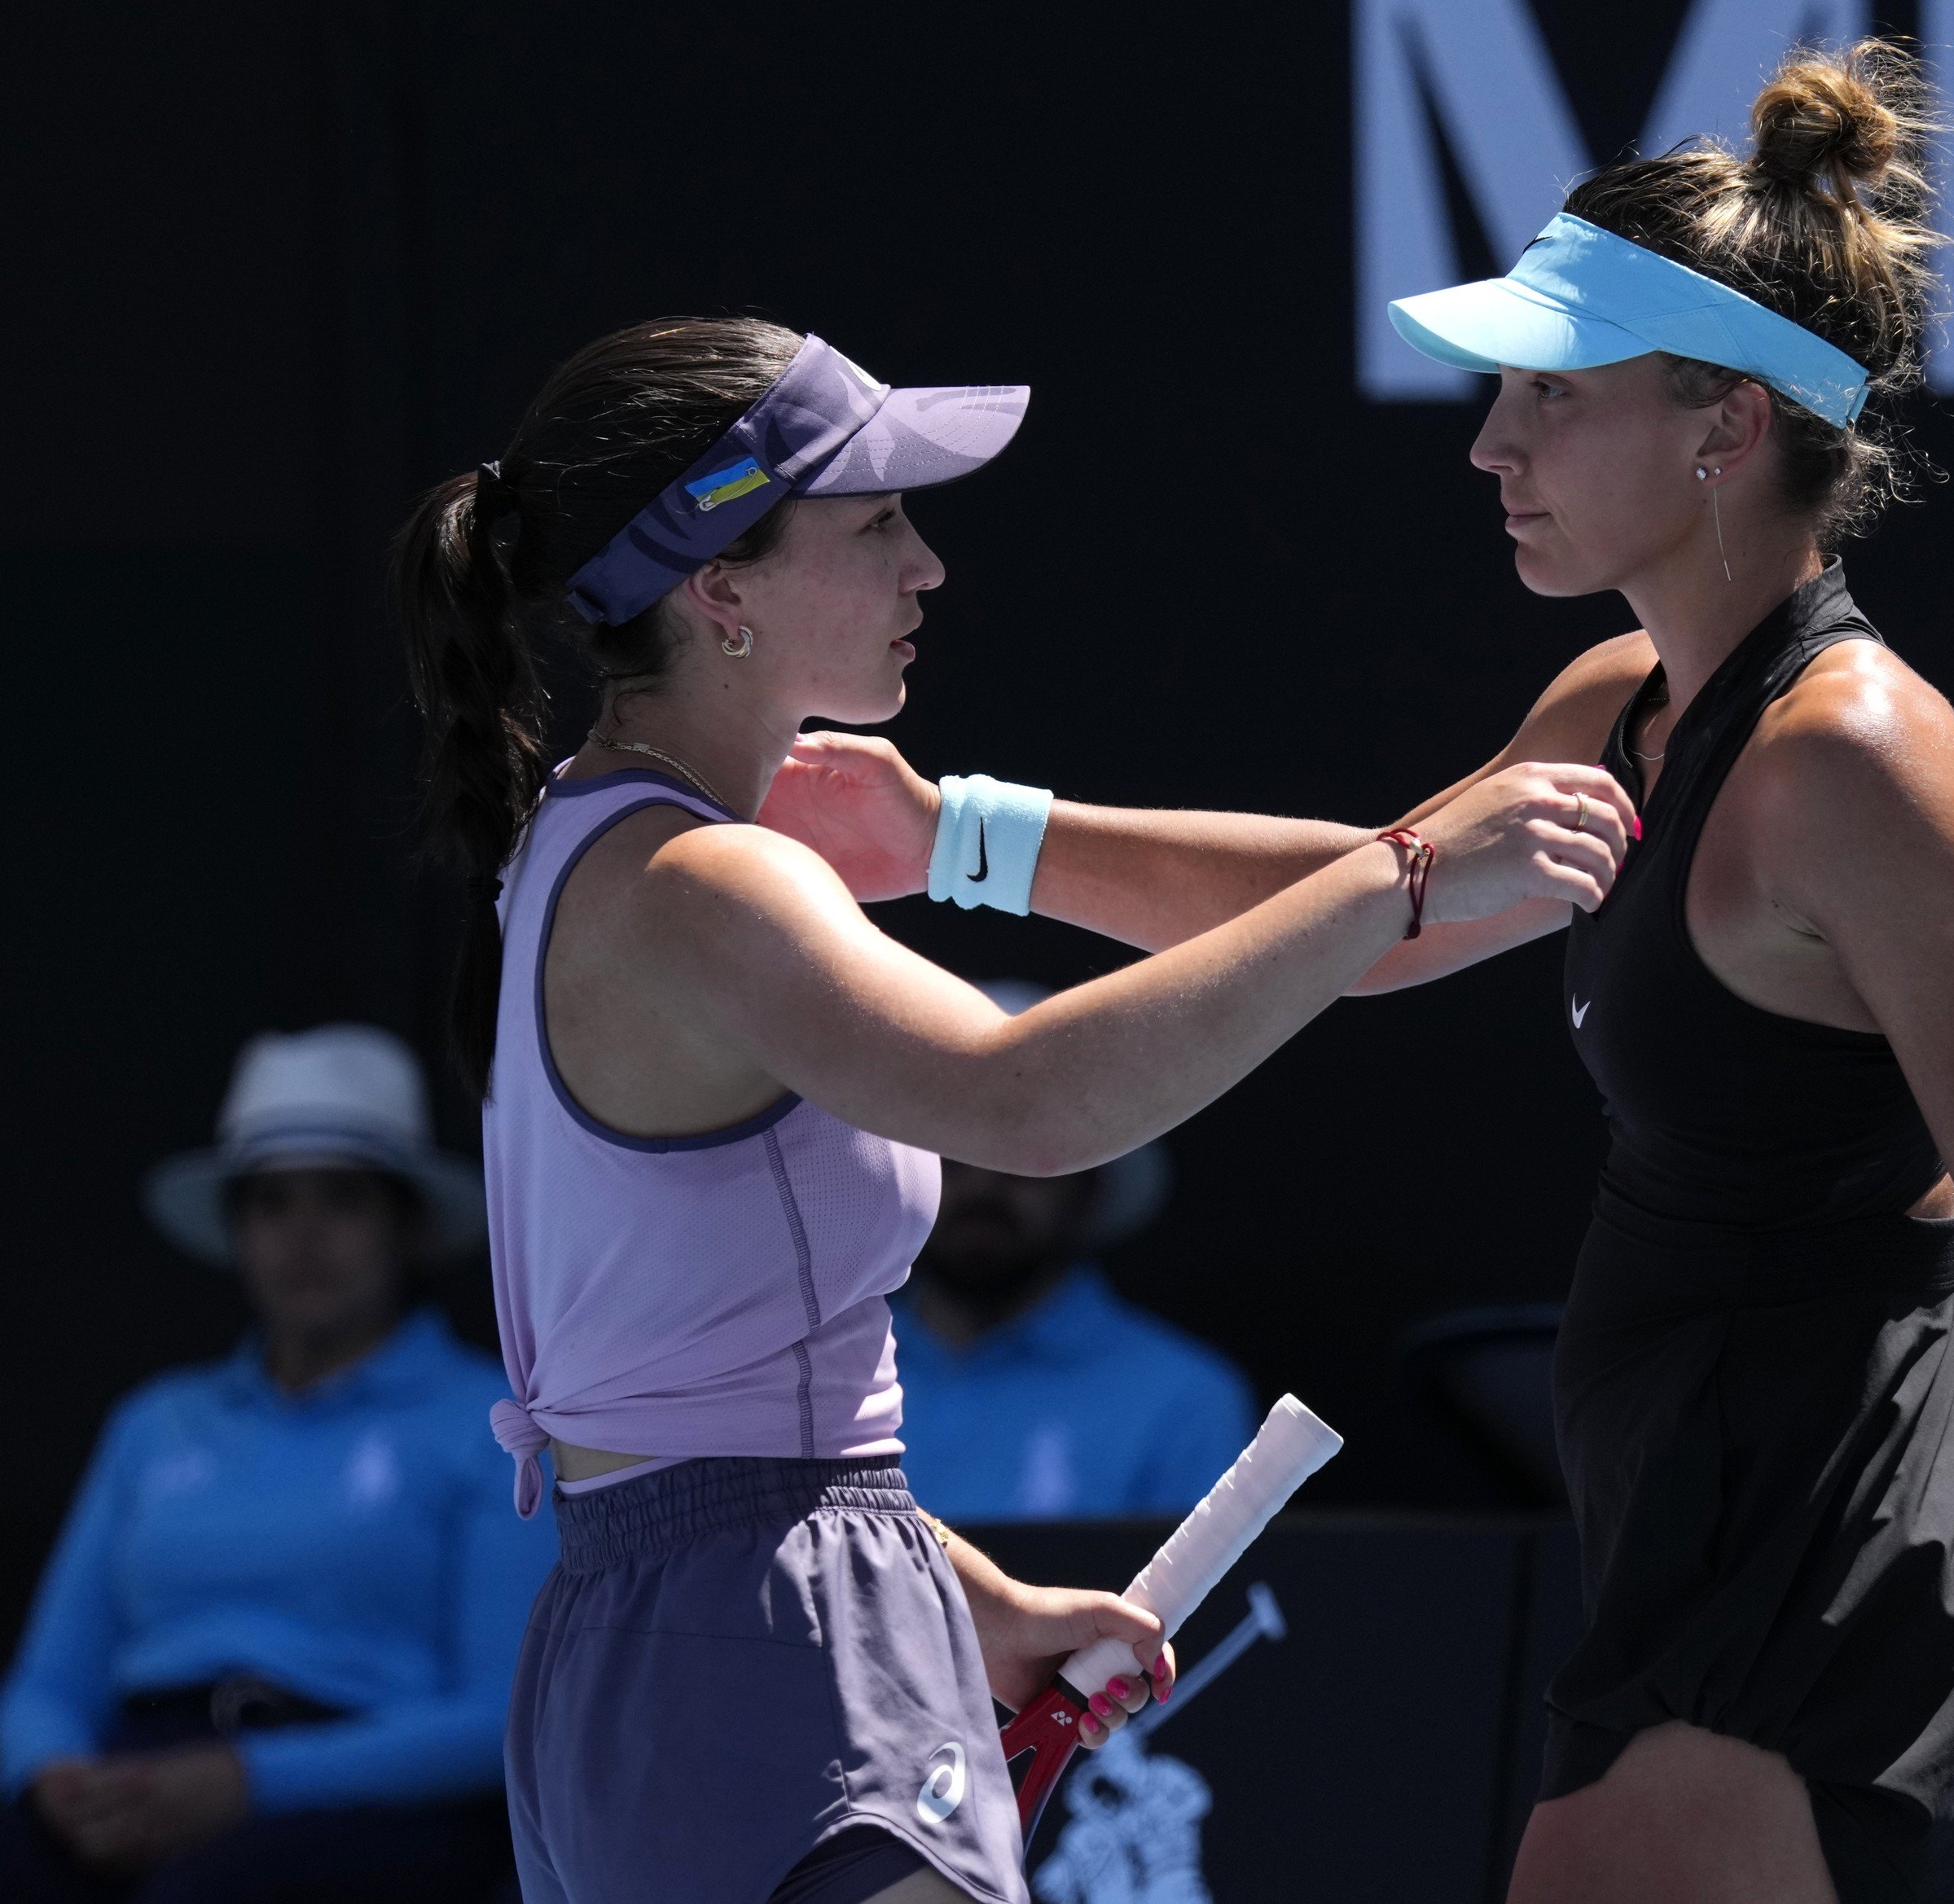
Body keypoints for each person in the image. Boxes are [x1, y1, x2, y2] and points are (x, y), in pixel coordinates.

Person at [770, 43, 1954, 1904]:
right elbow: (1366, 912)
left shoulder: (1861, 762)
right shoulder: (1620, 708)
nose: (1491, 444)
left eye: (1546, 396)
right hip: (1704, 1552)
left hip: (1858, 1575)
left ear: (1725, 426)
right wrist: (959, 836)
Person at [397, 318, 1632, 1904]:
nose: (927, 567)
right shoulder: (708, 879)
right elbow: (1027, 1098)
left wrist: (952, 1593)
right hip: (764, 1651)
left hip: (675, 1644)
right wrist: (1399, 879)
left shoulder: (577, 845)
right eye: (874, 525)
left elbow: (676, 1403)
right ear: (720, 587)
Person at [0, 1024, 555, 1904]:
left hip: (359, 1803)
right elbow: (47, 1683)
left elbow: (501, 1718)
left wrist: (250, 1780)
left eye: (343, 1199)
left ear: (404, 1224)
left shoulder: (487, 1421)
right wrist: (55, 1780)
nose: (305, 1235)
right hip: (130, 1785)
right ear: (237, 1227)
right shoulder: (156, 1421)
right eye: (272, 1202)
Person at [894, 982, 1255, 1524]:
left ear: (1092, 1187)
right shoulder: (806, 1374)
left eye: (1024, 1160)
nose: (984, 1188)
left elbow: (1205, 1608)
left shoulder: (1185, 1397)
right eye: (952, 1156)